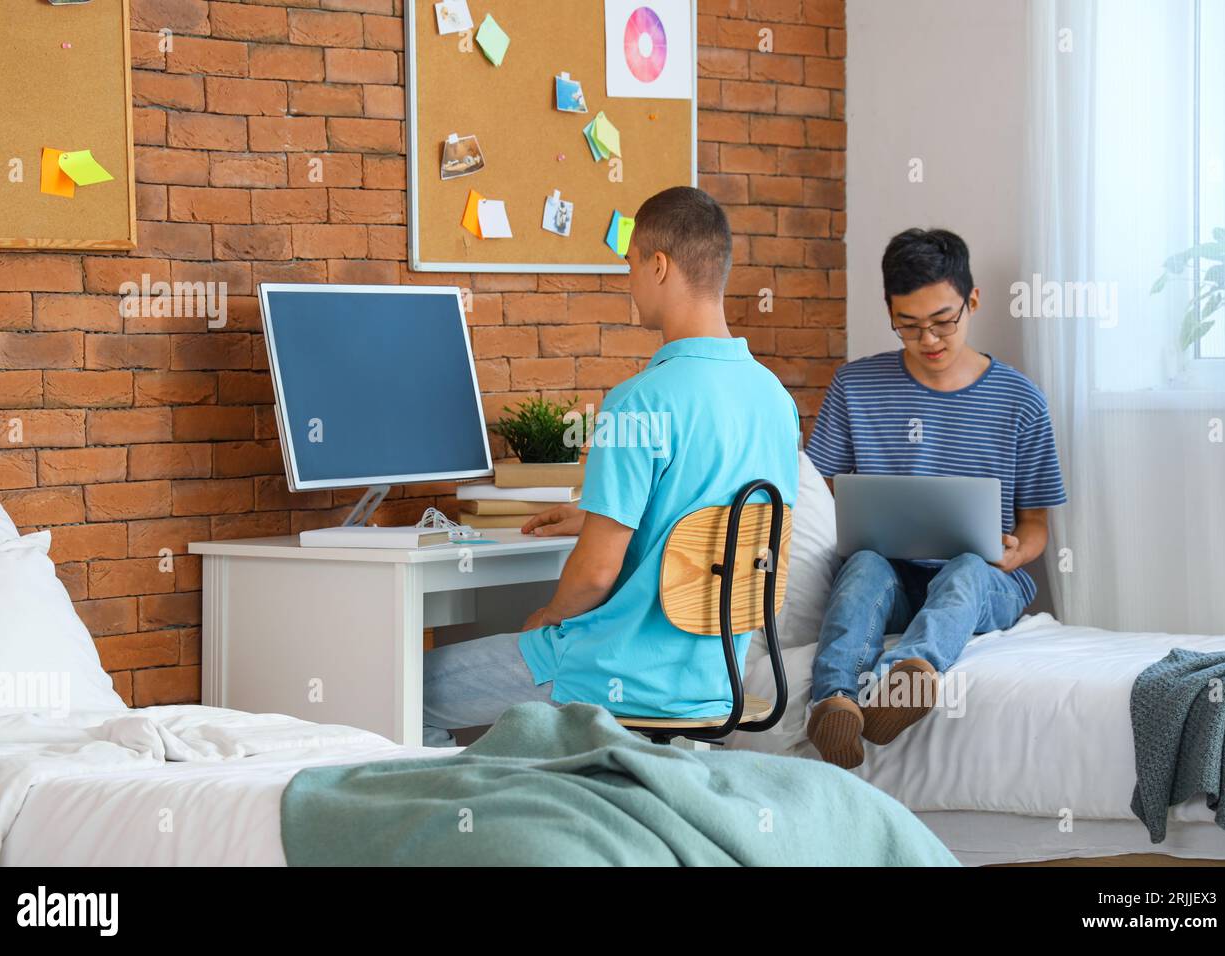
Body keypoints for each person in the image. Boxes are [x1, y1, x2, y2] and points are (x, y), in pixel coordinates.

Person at [423, 187, 801, 746]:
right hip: (713, 682)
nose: (629, 282)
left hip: (613, 674)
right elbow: (712, 518)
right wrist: (602, 515)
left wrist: (548, 615)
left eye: (629, 264)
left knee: (409, 688)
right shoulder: (775, 399)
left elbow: (597, 575)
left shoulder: (640, 401)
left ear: (658, 265)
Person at [804, 228, 1067, 768]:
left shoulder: (1021, 400)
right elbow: (811, 487)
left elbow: (1036, 521)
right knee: (864, 565)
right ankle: (835, 703)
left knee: (967, 568)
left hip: (986, 580)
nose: (929, 340)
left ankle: (911, 678)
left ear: (972, 301)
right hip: (893, 579)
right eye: (910, 326)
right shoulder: (855, 386)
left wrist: (1015, 553)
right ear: (890, 313)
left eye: (943, 321)